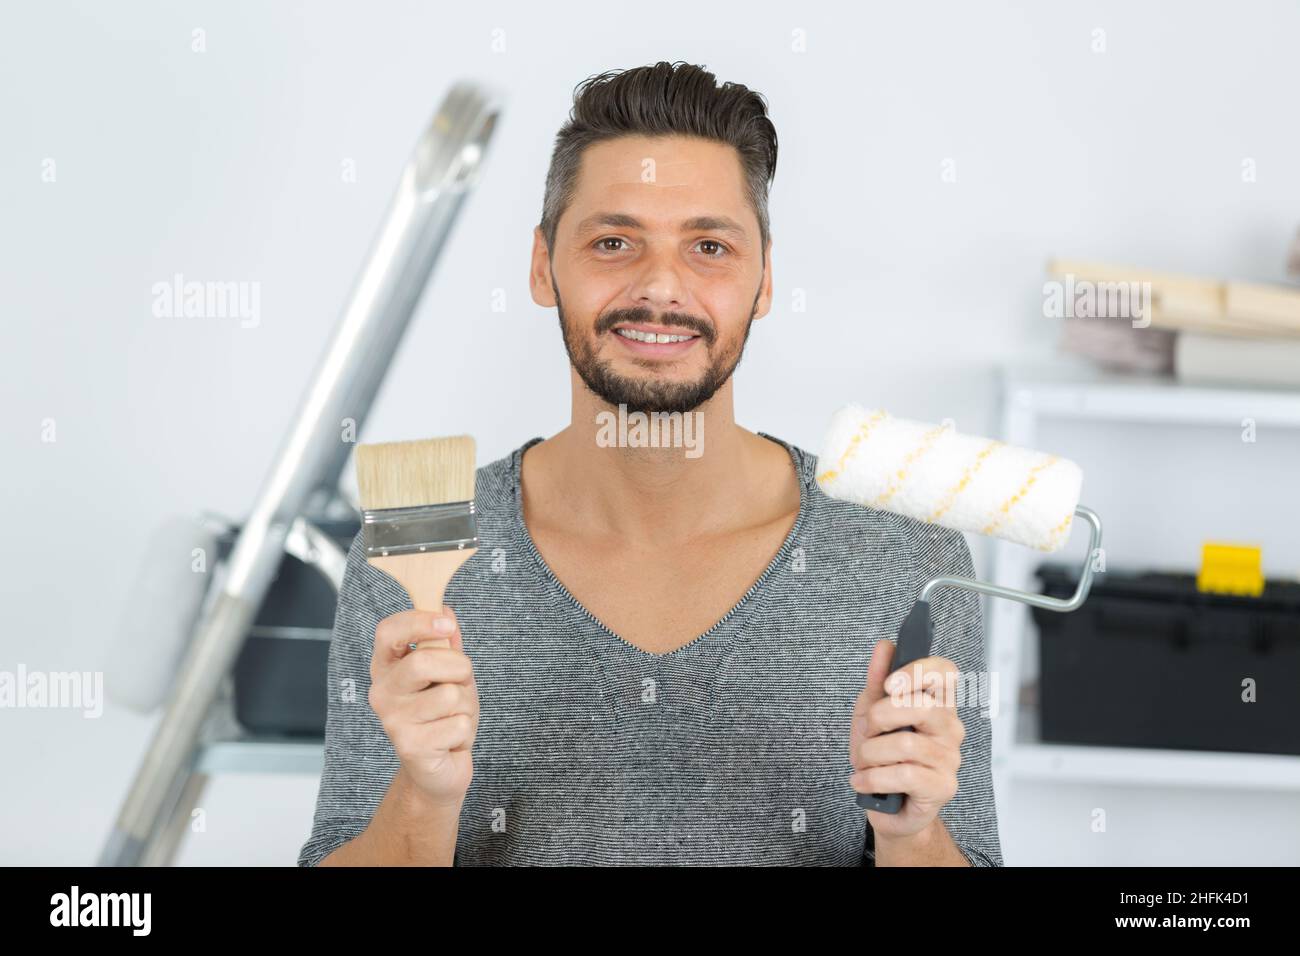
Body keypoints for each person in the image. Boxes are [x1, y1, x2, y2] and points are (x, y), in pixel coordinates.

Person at [299, 60, 1002, 866]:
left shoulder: (907, 559)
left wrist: (911, 832)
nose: (661, 286)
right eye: (613, 241)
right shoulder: (415, 547)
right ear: (542, 266)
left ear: (764, 278)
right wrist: (423, 795)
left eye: (709, 245)